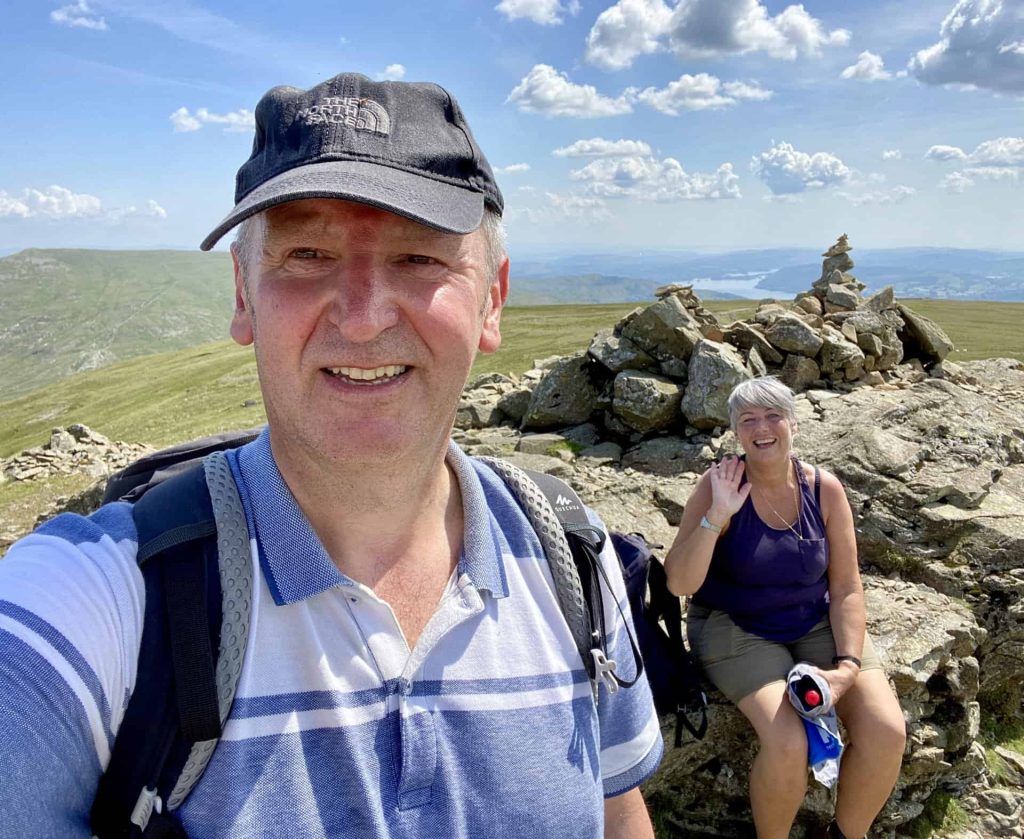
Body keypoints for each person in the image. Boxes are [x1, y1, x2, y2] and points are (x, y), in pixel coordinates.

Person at [0, 73, 662, 838]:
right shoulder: (109, 596)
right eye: (308, 253)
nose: (362, 316)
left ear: (492, 299)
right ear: (243, 294)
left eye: (419, 257)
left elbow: (618, 812)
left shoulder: (571, 558)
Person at [664, 376, 906, 839]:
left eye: (773, 416)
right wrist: (718, 514)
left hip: (811, 618)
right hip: (734, 626)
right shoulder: (718, 484)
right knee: (788, 743)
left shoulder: (824, 489)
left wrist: (848, 668)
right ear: (735, 431)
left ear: (793, 423)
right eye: (748, 420)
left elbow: (847, 587)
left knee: (886, 730)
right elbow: (679, 583)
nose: (762, 428)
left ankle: (846, 835)